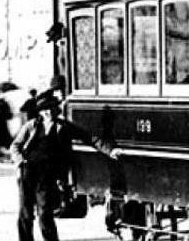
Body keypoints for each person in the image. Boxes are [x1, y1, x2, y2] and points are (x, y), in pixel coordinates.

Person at [10, 91, 119, 241]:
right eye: (45, 109)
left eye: (51, 108)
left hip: (47, 175)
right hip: (28, 171)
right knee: (25, 213)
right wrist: (20, 160)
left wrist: (110, 150)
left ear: (56, 109)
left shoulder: (64, 127)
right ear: (40, 111)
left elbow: (89, 138)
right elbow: (15, 146)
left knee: (45, 212)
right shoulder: (31, 126)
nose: (48, 112)